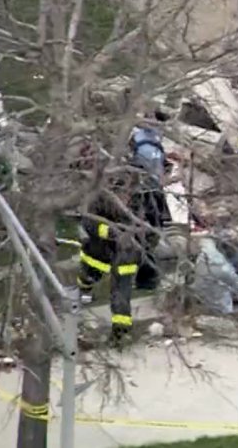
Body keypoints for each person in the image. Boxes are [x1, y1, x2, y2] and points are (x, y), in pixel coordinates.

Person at [77, 175, 143, 346]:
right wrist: (111, 232)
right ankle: (84, 292)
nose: (126, 197)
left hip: (126, 254)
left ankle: (121, 332)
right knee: (88, 275)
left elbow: (146, 227)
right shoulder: (99, 200)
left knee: (121, 292)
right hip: (99, 249)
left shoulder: (138, 201)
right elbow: (89, 223)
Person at [129, 124, 170, 291]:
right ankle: (147, 279)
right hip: (151, 193)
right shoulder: (152, 143)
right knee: (150, 236)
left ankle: (146, 278)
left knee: (146, 238)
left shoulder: (142, 143)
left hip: (145, 193)